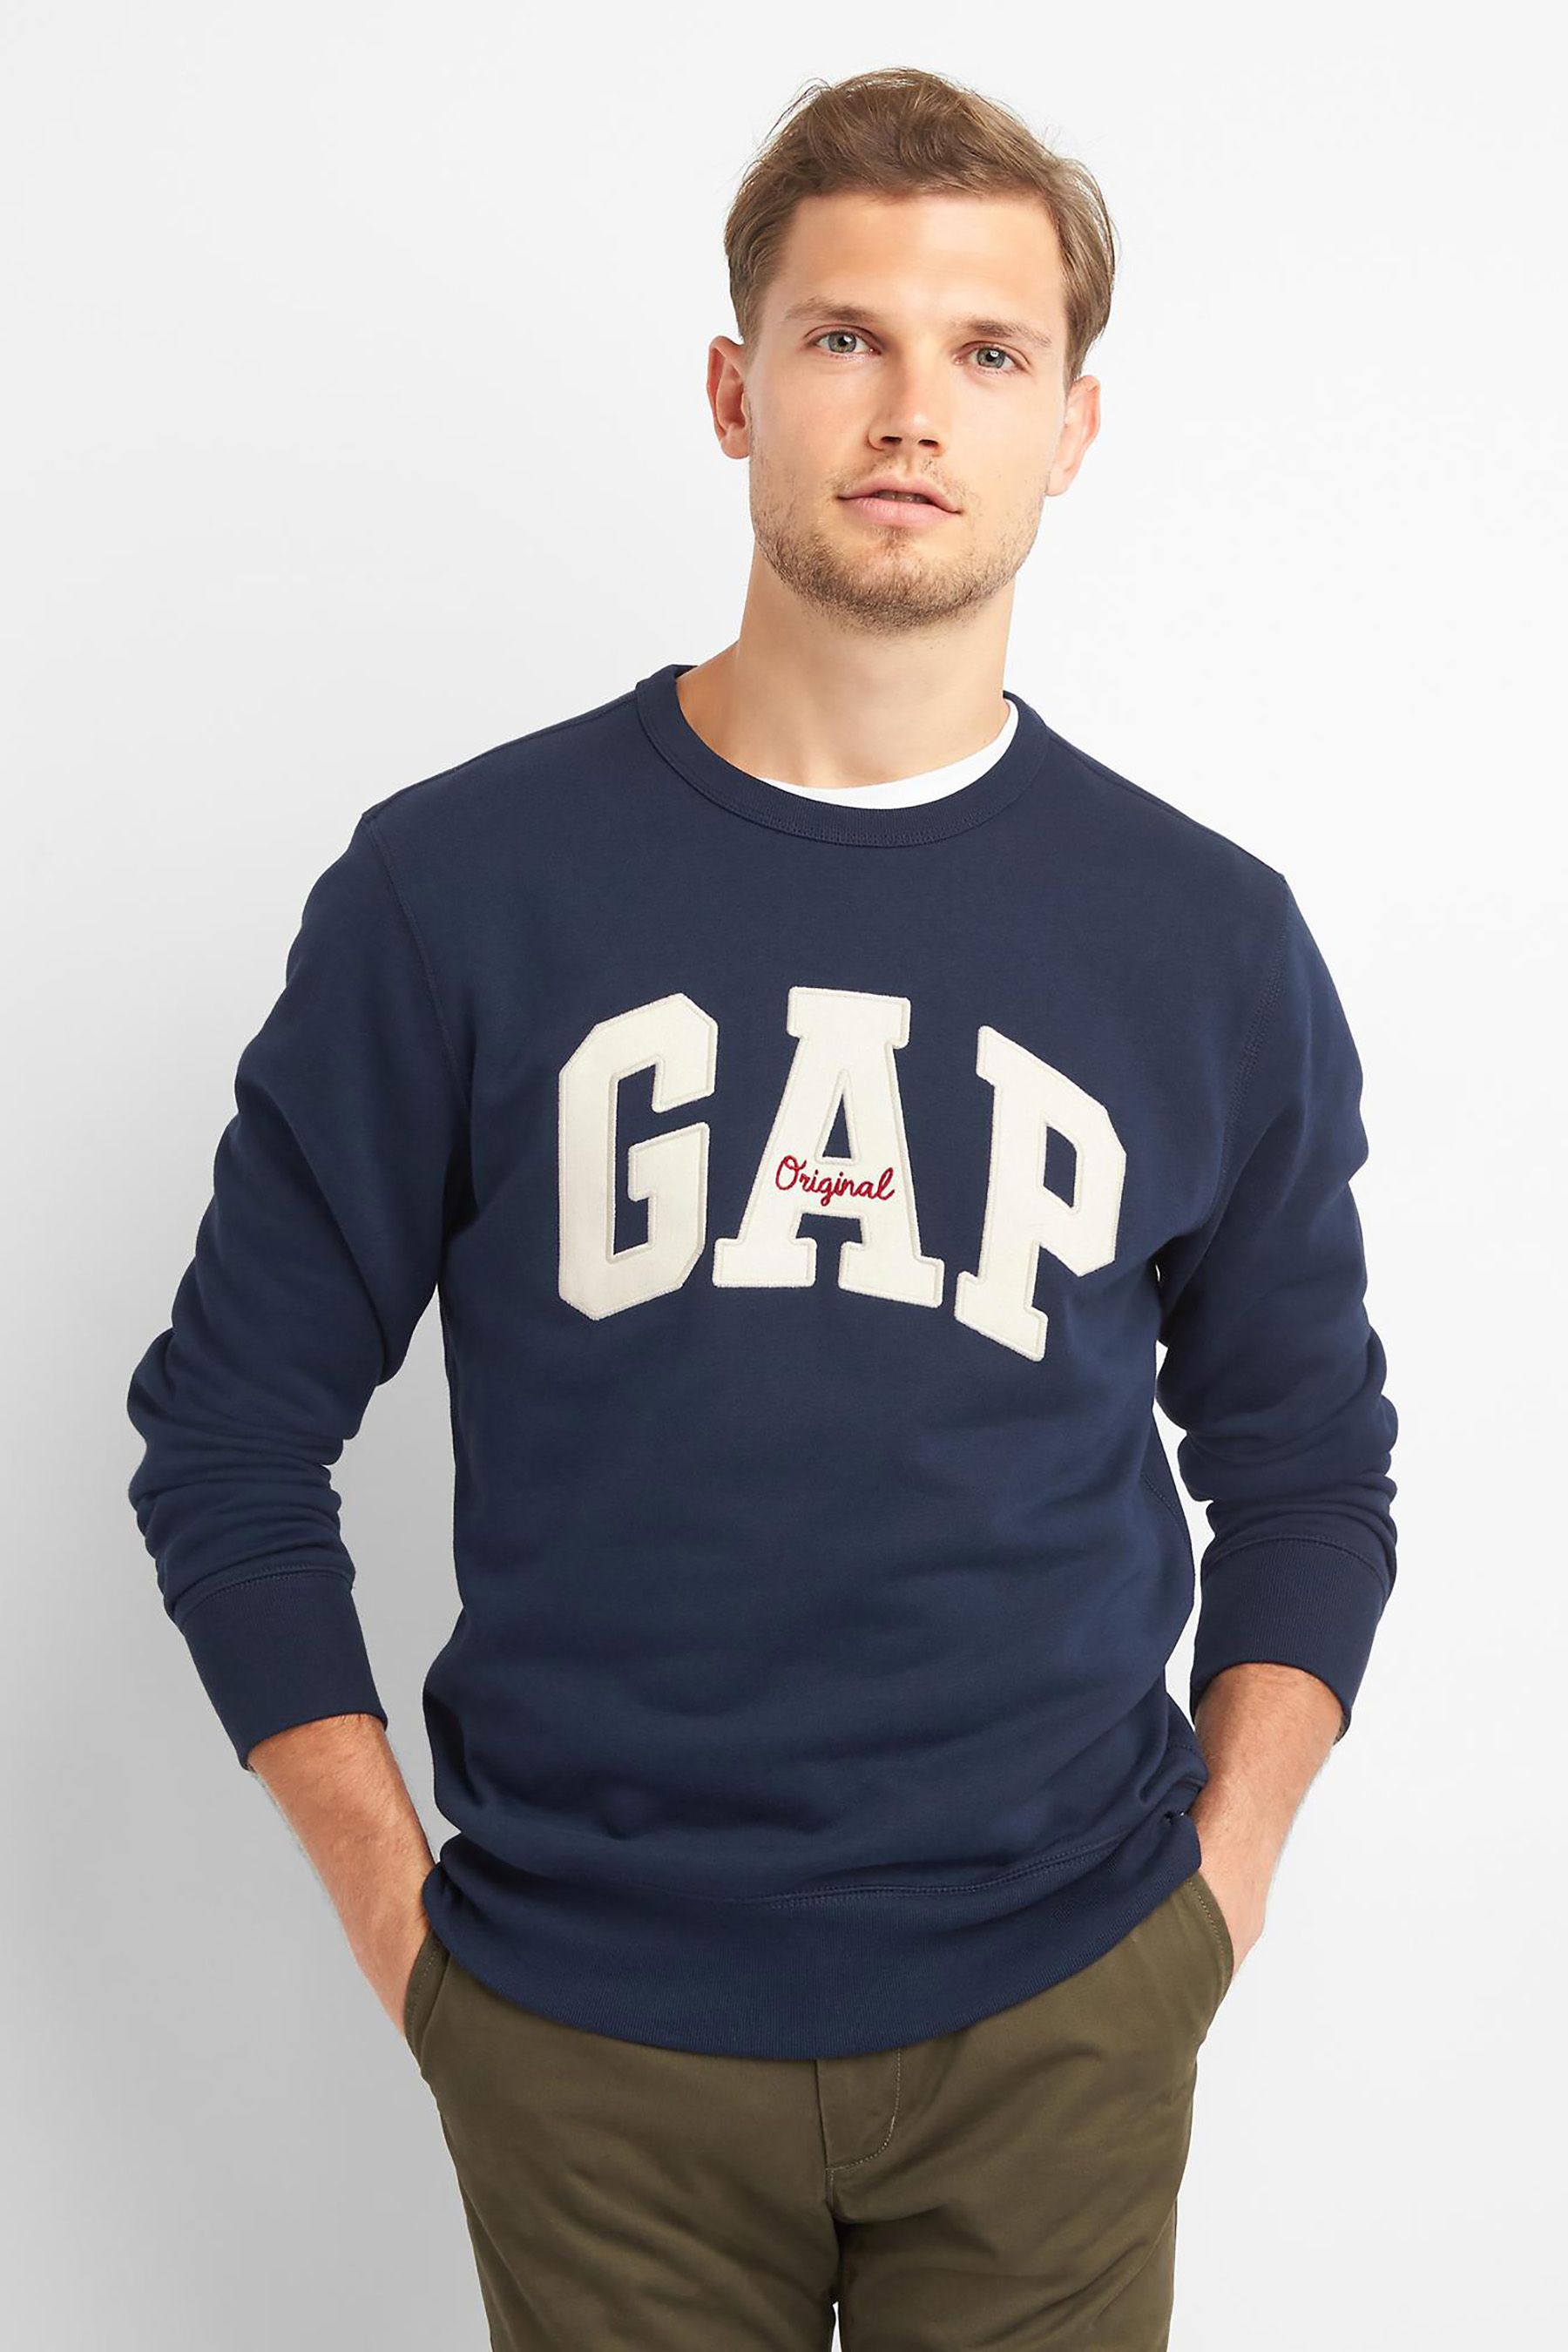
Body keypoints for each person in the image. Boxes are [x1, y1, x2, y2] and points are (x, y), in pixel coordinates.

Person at [124, 63, 1398, 2351]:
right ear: (736, 390)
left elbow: (1308, 1465)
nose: (912, 409)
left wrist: (1209, 1906)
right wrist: (413, 1948)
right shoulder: (458, 891)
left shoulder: (1203, 939)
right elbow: (229, 1436)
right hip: (589, 2046)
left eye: (986, 352)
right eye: (846, 338)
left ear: (1073, 428)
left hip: (1062, 2019)